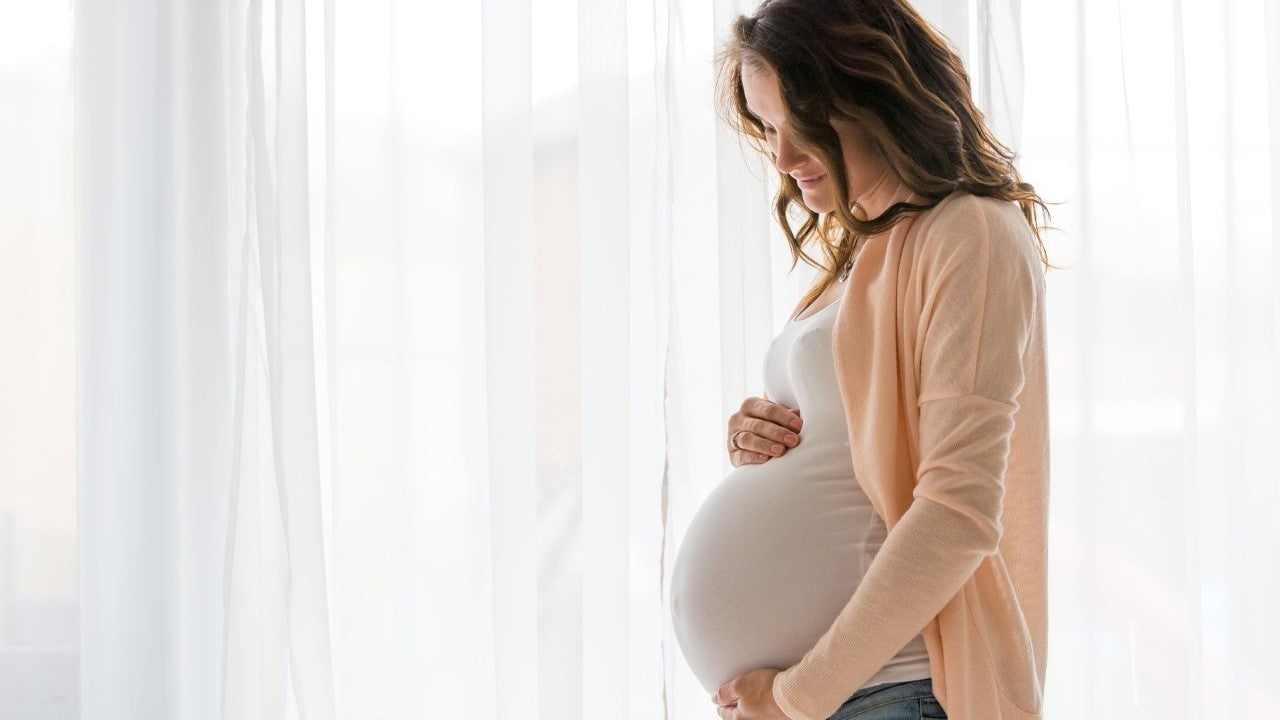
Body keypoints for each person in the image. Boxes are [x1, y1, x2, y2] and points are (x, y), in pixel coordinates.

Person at [701, 1, 1061, 719]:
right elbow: (860, 461)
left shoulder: (971, 233)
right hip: (852, 695)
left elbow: (957, 512)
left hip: (897, 688)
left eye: (801, 126)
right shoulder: (868, 248)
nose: (782, 158)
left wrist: (798, 698)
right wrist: (763, 445)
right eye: (767, 128)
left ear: (874, 97)